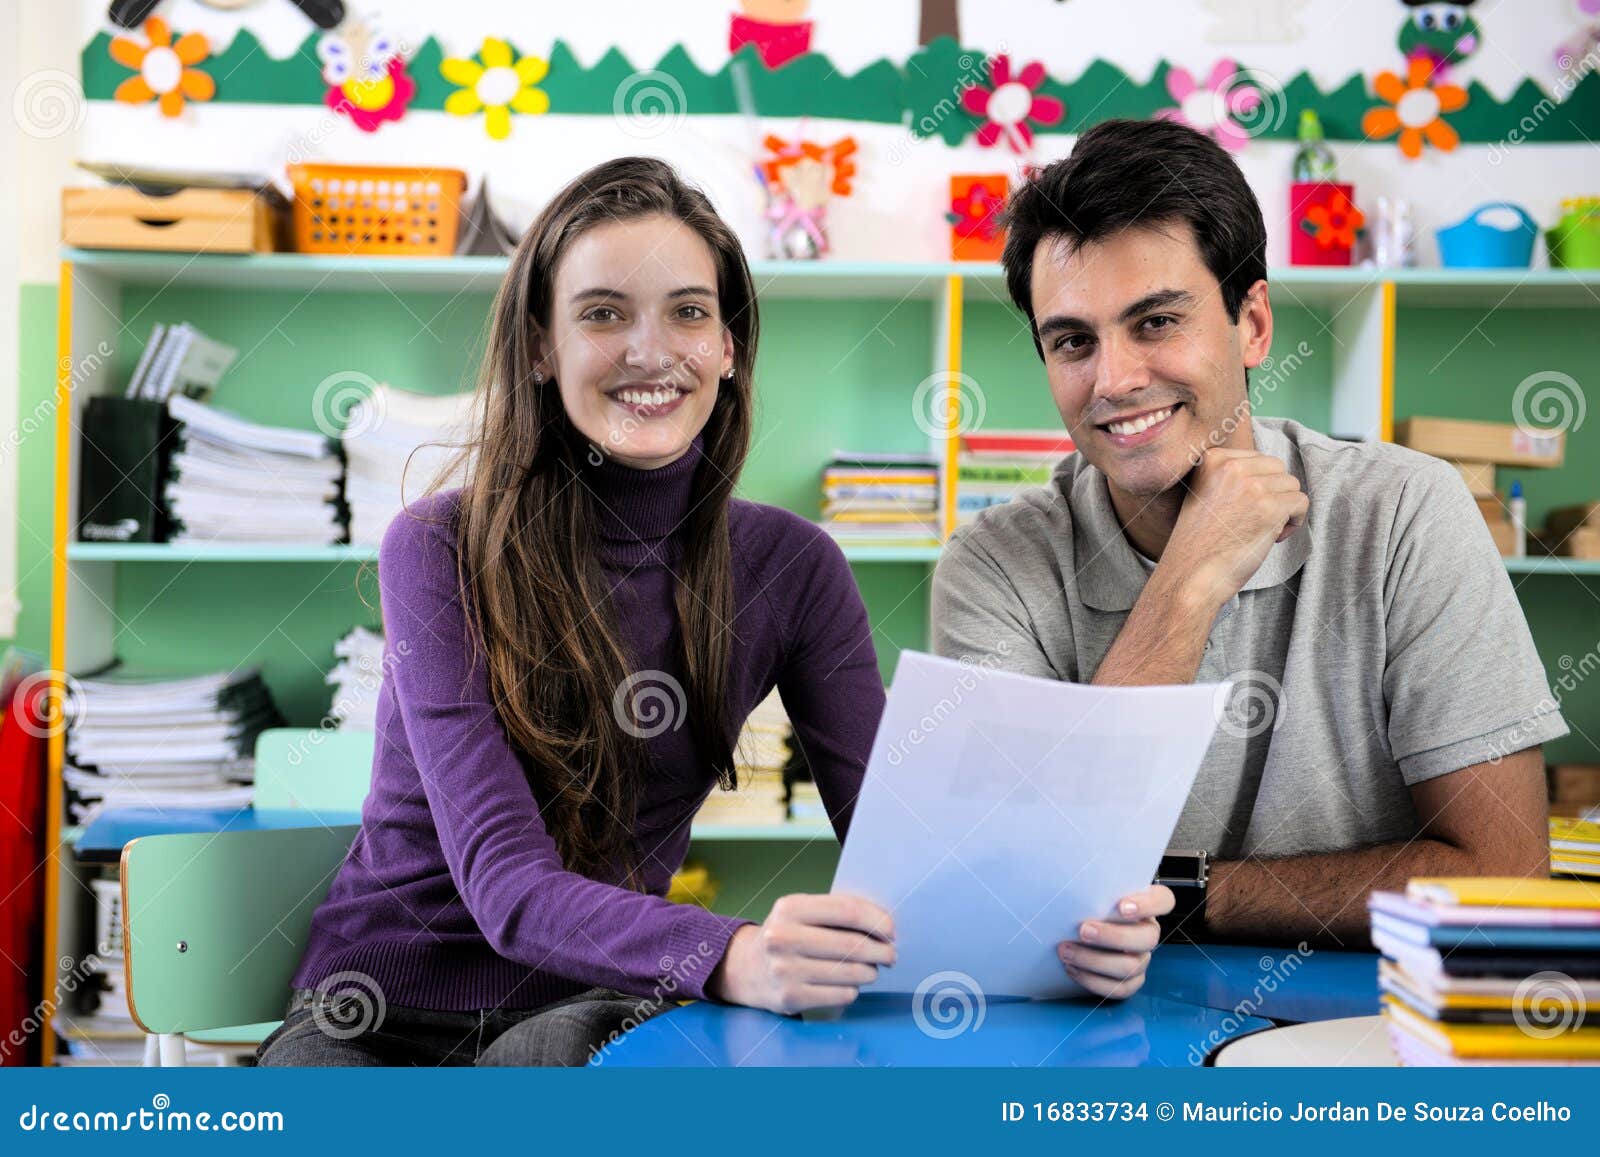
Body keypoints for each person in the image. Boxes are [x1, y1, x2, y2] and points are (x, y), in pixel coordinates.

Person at [258, 157, 1168, 1068]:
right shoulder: (437, 546)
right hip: (383, 1007)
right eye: (604, 312)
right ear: (541, 345)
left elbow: (905, 844)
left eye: (689, 311)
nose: (652, 351)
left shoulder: (792, 567)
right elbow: (507, 887)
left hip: (595, 1009)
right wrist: (733, 949)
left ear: (728, 347)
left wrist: (1063, 937)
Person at [932, 119, 1560, 948]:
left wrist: (1185, 894)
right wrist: (1190, 576)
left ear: (1254, 324)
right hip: (1097, 1037)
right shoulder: (992, 566)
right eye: (1074, 341)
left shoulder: (1408, 510)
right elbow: (1024, 887)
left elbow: (1506, 876)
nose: (1113, 380)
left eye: (1156, 322)